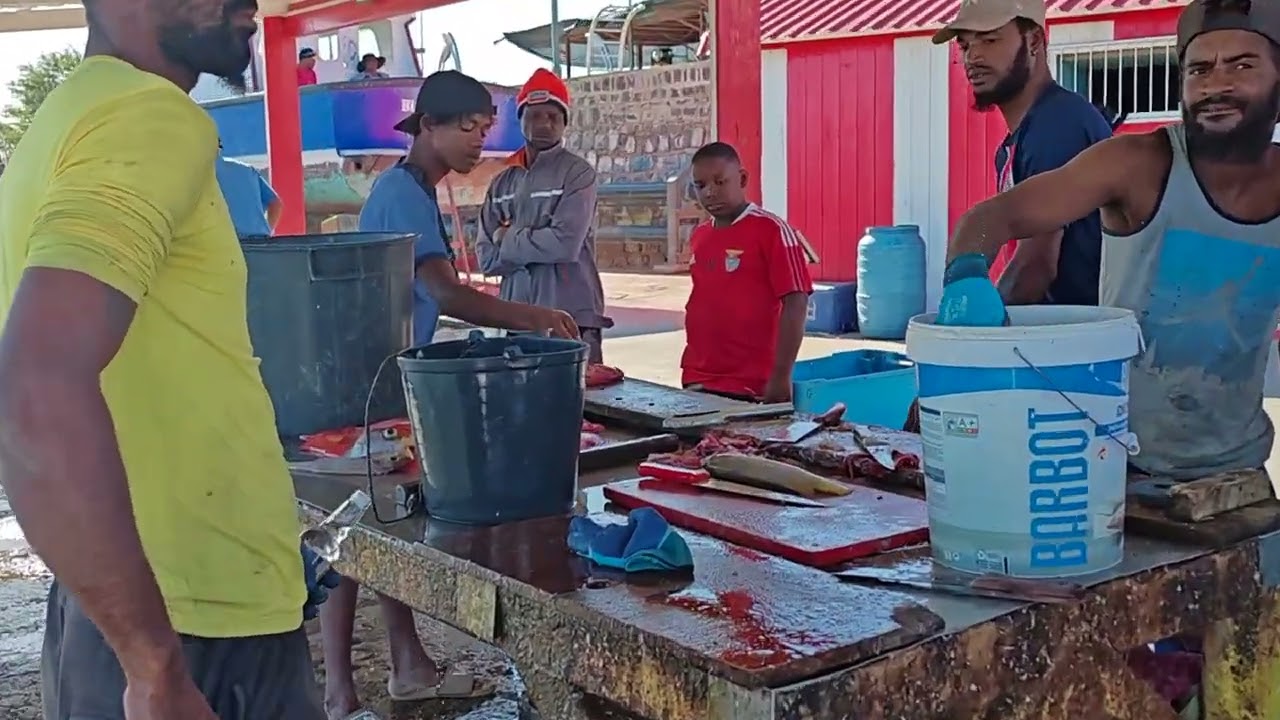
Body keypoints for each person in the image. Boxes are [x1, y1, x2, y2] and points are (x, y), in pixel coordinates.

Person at [0, 0, 338, 718]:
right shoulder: (148, 118)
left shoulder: (65, 117)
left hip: (116, 608)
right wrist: (153, 667)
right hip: (196, 624)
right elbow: (35, 387)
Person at [939, 1, 1280, 711]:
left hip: (1234, 488)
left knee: (1243, 681)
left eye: (1242, 65)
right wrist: (966, 292)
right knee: (1104, 678)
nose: (1216, 84)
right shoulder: (1140, 163)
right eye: (1199, 69)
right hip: (1109, 480)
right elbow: (990, 220)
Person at [320, 70, 578, 720]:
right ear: (428, 125)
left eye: (484, 130)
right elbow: (445, 293)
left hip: (385, 375)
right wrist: (534, 318)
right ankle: (339, 692)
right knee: (351, 535)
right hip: (372, 381)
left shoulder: (408, 188)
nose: (477, 141)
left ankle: (408, 665)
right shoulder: (404, 192)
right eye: (467, 127)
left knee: (381, 527)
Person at [933, 0, 1114, 307]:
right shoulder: (1025, 135)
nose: (973, 57)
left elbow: (1036, 267)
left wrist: (975, 330)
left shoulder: (1057, 125)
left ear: (1034, 41)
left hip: (1077, 329)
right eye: (964, 46)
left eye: (990, 40)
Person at [475, 68, 612, 362]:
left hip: (571, 320)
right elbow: (486, 259)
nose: (545, 123)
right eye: (535, 115)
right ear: (520, 119)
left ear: (565, 123)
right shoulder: (501, 183)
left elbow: (565, 245)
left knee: (579, 391)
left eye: (553, 116)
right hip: (516, 320)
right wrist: (537, 240)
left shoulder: (578, 174)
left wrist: (506, 237)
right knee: (518, 391)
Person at [680, 141, 817, 403]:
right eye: (701, 185)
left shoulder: (772, 230)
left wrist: (780, 377)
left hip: (752, 384)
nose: (710, 192)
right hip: (698, 377)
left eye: (720, 182)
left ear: (742, 179)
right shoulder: (700, 236)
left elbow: (797, 301)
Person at [215, 139, 283, 238]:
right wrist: (266, 231)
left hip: (224, 241)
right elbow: (276, 203)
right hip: (260, 240)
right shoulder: (247, 169)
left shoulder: (200, 173)